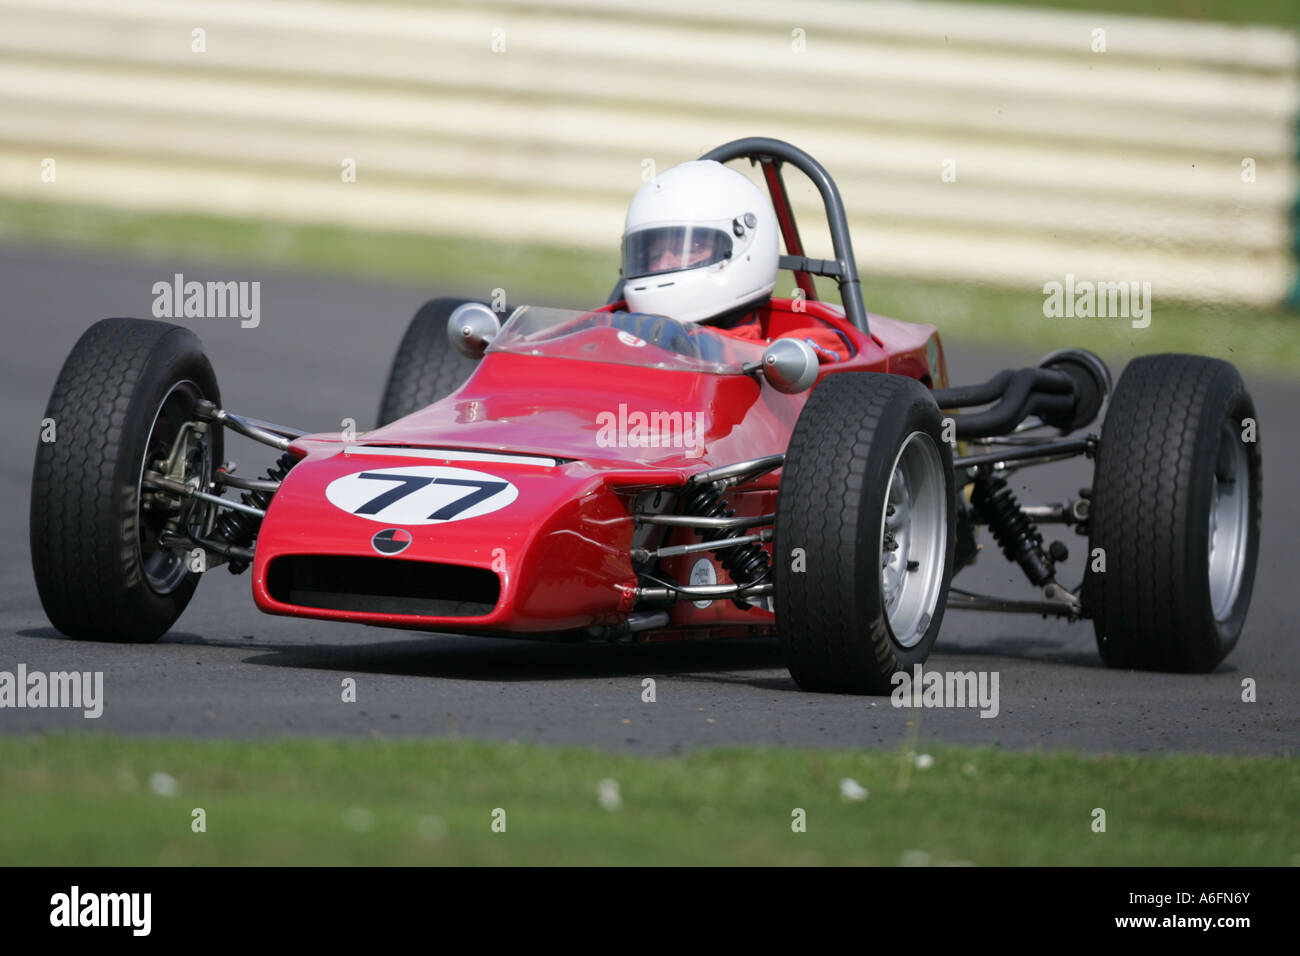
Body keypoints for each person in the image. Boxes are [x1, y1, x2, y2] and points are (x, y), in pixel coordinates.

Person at [617, 159, 850, 363]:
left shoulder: (794, 350)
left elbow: (831, 349)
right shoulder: (619, 327)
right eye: (654, 255)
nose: (664, 263)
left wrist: (698, 347)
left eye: (689, 249)